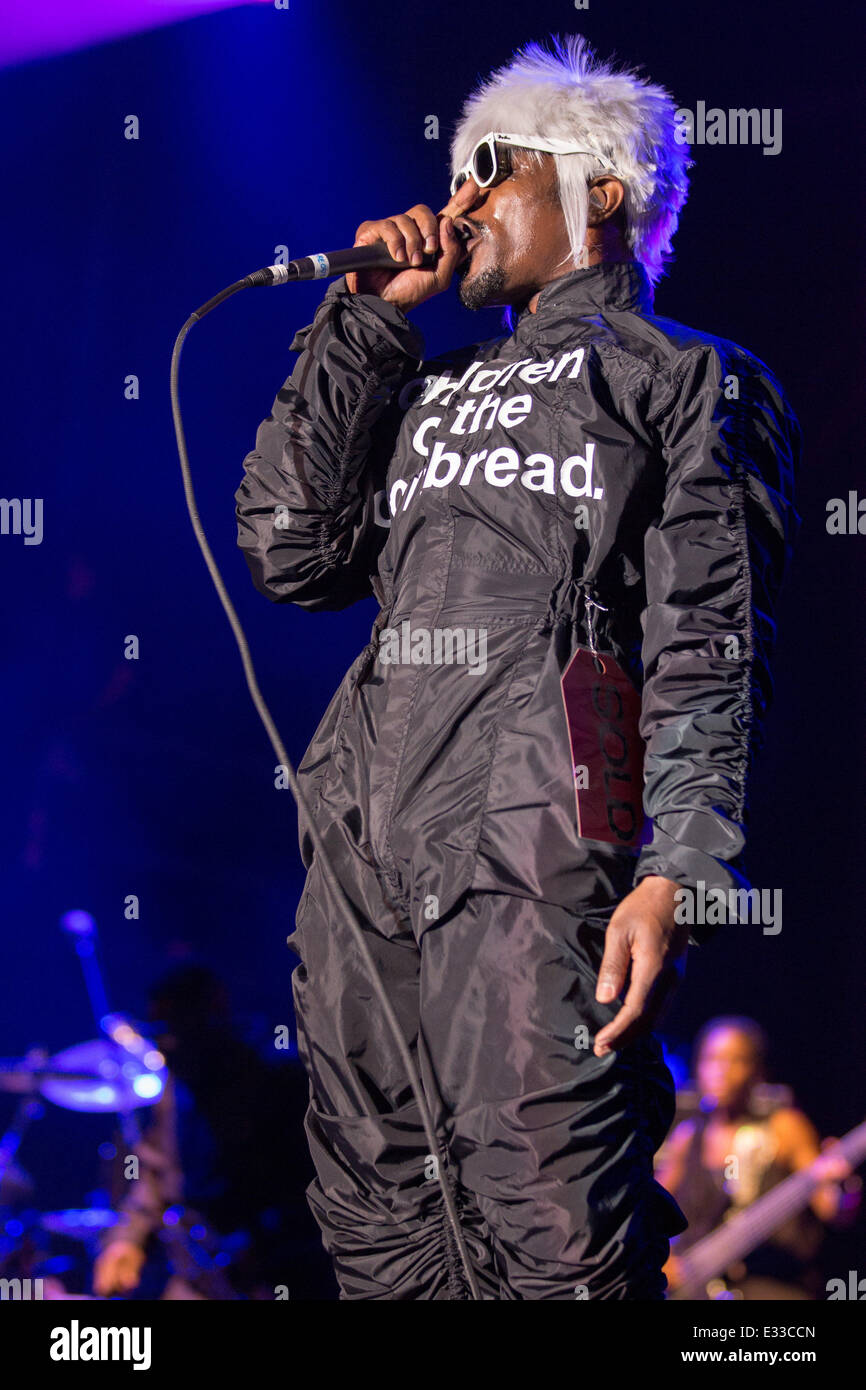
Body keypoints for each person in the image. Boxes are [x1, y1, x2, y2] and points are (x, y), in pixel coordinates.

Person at [235, 35, 801, 1299]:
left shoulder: (685, 380)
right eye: (455, 172)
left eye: (491, 166)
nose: (460, 199)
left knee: (547, 1204)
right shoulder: (424, 386)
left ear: (600, 189)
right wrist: (364, 333)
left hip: (536, 843)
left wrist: (681, 873)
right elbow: (288, 550)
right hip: (365, 840)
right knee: (380, 1209)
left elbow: (708, 639)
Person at [657, 1017, 859, 1299]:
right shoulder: (688, 1138)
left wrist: (843, 1186)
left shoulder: (784, 1127)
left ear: (757, 1071)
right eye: (712, 1059)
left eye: (735, 1060)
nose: (721, 1071)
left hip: (770, 1286)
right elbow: (650, 1212)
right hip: (696, 1287)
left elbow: (833, 1209)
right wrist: (660, 1258)